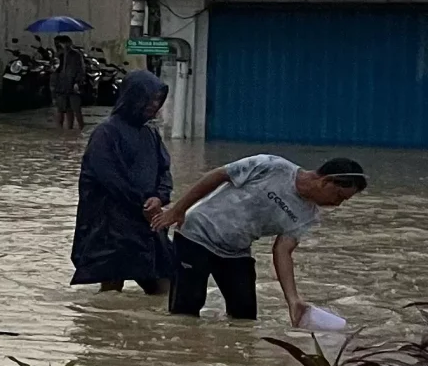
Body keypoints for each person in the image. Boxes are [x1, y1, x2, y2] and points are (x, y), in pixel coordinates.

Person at [153, 153, 368, 324]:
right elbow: (218, 175)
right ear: (326, 182)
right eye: (339, 196)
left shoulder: (308, 216)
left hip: (236, 251)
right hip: (196, 235)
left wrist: (293, 300)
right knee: (186, 312)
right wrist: (178, 210)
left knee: (245, 318)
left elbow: (283, 251)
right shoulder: (272, 166)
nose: (337, 204)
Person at [69, 70, 174, 295]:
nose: (154, 105)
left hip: (147, 221)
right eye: (149, 99)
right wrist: (142, 202)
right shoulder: (106, 133)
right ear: (132, 97)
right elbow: (110, 179)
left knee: (164, 285)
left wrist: (159, 197)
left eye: (158, 100)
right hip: (111, 225)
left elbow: (164, 171)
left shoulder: (151, 134)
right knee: (112, 286)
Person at [51, 36, 86, 130]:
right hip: (61, 86)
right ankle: (64, 131)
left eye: (65, 43)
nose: (63, 45)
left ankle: (81, 129)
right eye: (61, 44)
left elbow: (81, 69)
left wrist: (77, 82)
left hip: (73, 85)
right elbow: (54, 71)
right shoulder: (58, 55)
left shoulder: (76, 55)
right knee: (63, 109)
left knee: (76, 109)